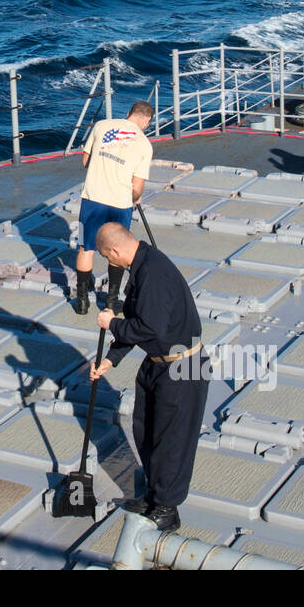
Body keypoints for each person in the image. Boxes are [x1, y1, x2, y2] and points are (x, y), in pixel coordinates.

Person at [90, 222, 207, 534]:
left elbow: (148, 327)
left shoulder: (153, 273)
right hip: (159, 363)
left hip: (184, 366)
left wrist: (112, 324)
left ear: (115, 251)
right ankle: (154, 495)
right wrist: (110, 360)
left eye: (107, 257)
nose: (108, 263)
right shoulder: (142, 266)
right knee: (146, 431)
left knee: (172, 439)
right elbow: (141, 320)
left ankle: (167, 508)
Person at [71, 101, 154, 314]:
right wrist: (136, 197)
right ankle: (111, 301)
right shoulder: (145, 144)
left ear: (128, 113)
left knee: (85, 247)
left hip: (92, 199)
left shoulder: (102, 125)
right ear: (147, 121)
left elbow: (85, 161)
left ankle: (81, 302)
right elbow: (137, 186)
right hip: (120, 203)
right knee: (117, 250)